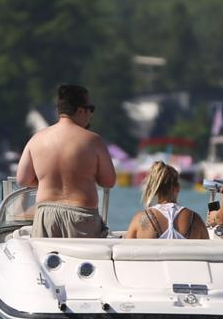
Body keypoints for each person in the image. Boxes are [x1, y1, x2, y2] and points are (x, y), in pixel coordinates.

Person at [17, 83, 117, 238]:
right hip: (81, 217)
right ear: (80, 110)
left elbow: (22, 179)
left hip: (46, 216)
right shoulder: (93, 140)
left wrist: (47, 181)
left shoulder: (37, 139)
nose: (91, 114)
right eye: (91, 109)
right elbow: (108, 181)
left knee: (45, 260)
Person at [124, 161, 209, 240]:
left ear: (155, 190)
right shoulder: (195, 219)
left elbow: (126, 251)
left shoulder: (140, 219)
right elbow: (209, 251)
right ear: (178, 188)